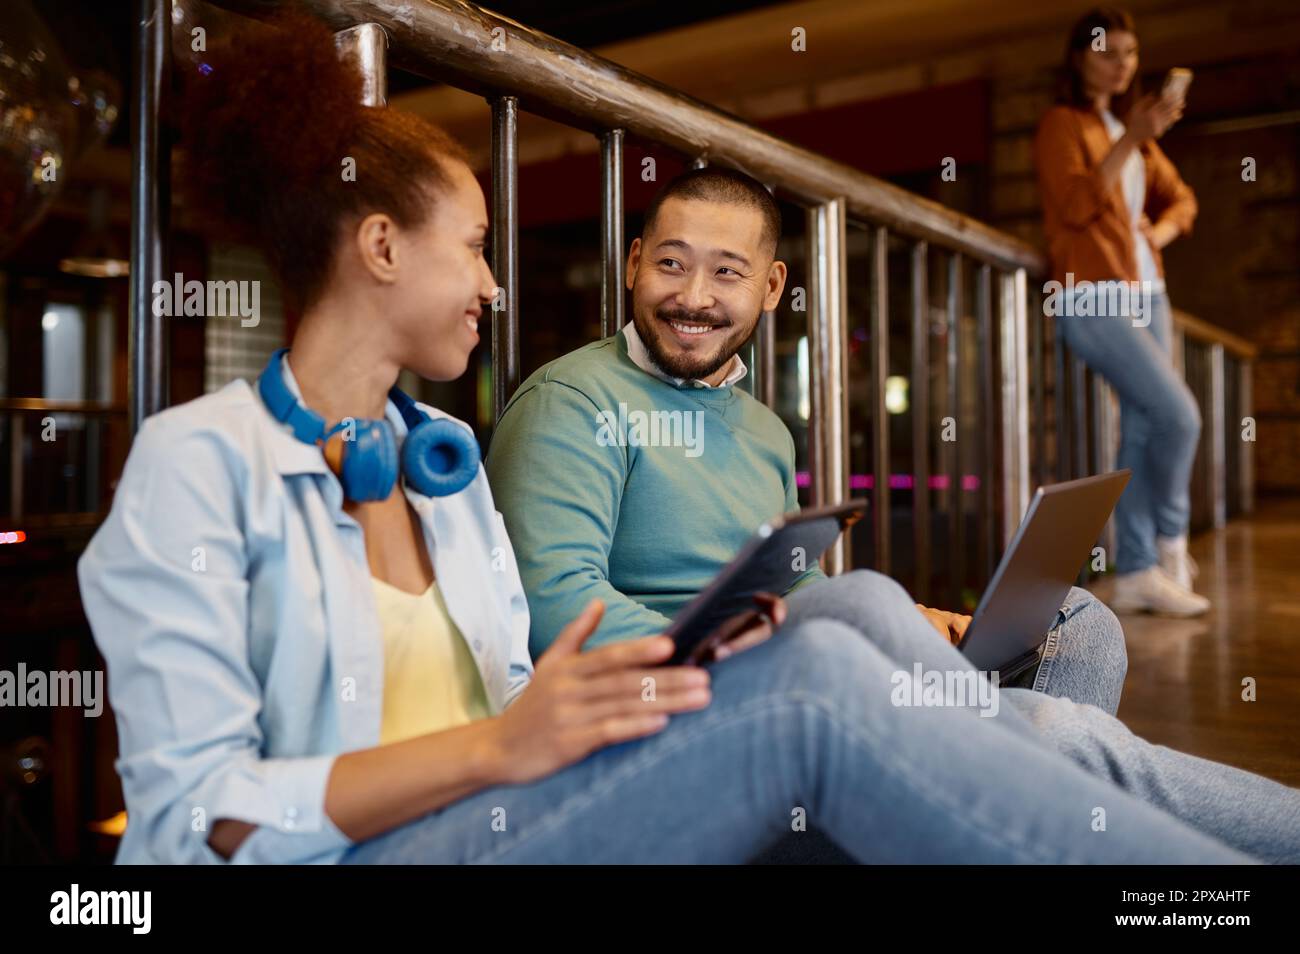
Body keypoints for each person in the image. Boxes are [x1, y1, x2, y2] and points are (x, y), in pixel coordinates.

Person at [78, 14, 1286, 866]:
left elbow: (533, 683)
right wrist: (507, 746)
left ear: (766, 291)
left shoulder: (430, 460)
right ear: (383, 249)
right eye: (476, 247)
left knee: (899, 634)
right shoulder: (200, 465)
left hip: (532, 798)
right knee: (833, 668)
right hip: (400, 845)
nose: (496, 285)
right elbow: (194, 824)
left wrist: (741, 630)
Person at [483, 165, 1300, 864]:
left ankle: (983, 781)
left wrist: (910, 625)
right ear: (632, 265)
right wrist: (775, 640)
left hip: (813, 680)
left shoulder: (762, 428)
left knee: (1081, 621)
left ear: (771, 287)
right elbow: (556, 612)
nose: (693, 297)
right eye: (670, 263)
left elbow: (791, 586)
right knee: (1052, 731)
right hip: (700, 726)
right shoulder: (573, 400)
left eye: (727, 273)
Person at [1035, 6, 1208, 617]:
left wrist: (1155, 235)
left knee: (1142, 425)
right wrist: (1132, 137)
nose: (1121, 63)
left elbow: (1184, 200)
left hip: (1148, 292)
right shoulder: (1066, 124)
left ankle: (1135, 571)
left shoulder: (1129, 133)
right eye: (1108, 50)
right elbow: (1077, 206)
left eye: (1130, 54)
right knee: (1179, 416)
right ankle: (1171, 543)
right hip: (1092, 293)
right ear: (1080, 56)